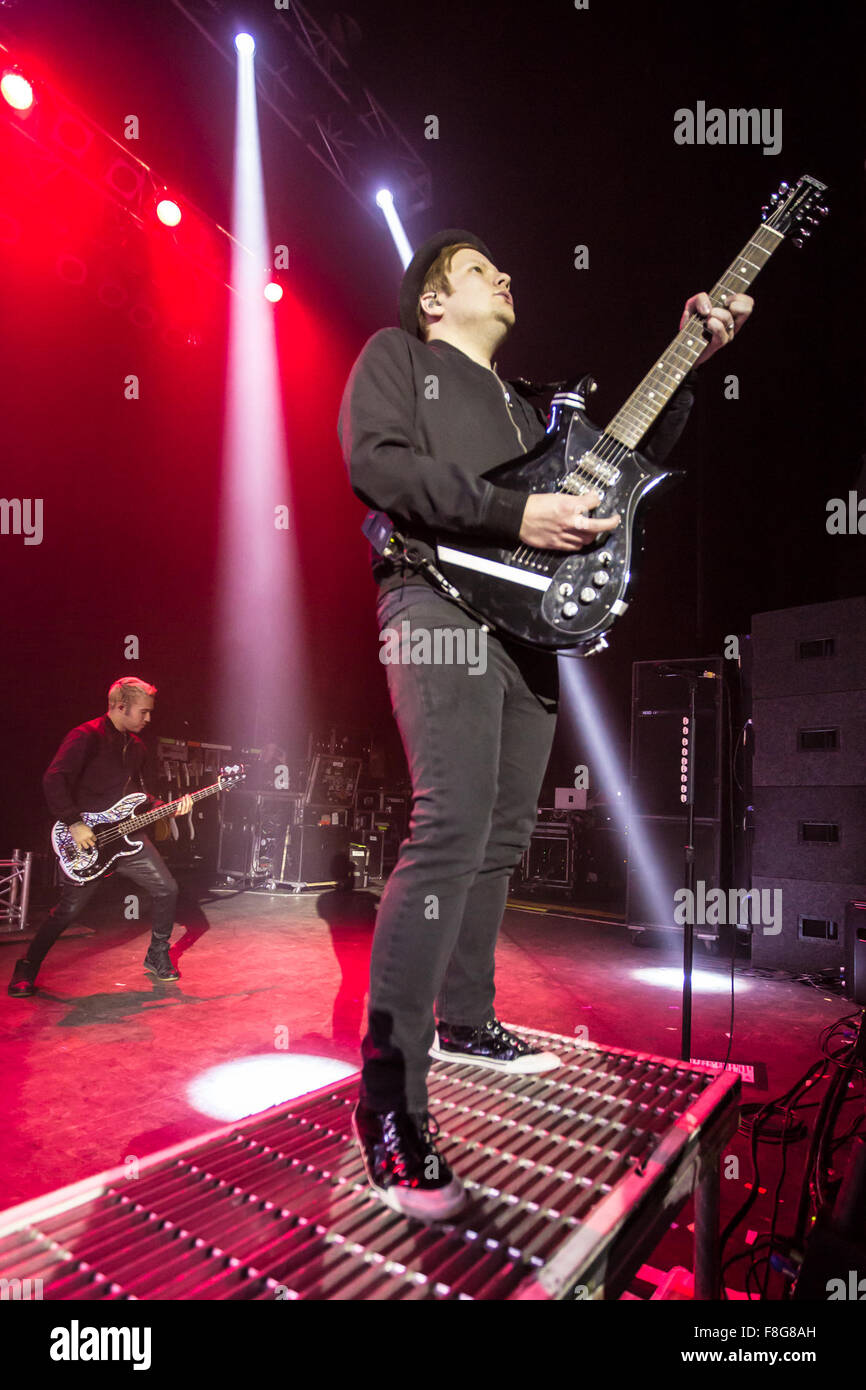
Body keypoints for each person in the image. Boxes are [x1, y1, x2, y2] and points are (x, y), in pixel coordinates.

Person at [337, 228, 753, 1221]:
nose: (505, 273)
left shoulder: (528, 406)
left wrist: (690, 357)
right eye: (482, 268)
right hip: (436, 600)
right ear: (435, 300)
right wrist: (506, 515)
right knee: (446, 825)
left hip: (523, 628)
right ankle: (388, 1102)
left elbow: (621, 465)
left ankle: (466, 1018)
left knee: (502, 835)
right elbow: (377, 467)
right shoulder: (398, 359)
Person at [8, 676, 193, 998]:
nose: (148, 719)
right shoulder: (86, 737)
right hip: (87, 839)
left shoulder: (138, 748)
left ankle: (157, 954)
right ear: (121, 707)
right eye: (144, 712)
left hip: (127, 836)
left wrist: (167, 808)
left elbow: (140, 794)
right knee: (68, 911)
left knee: (167, 889)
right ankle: (26, 966)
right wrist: (74, 823)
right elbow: (54, 779)